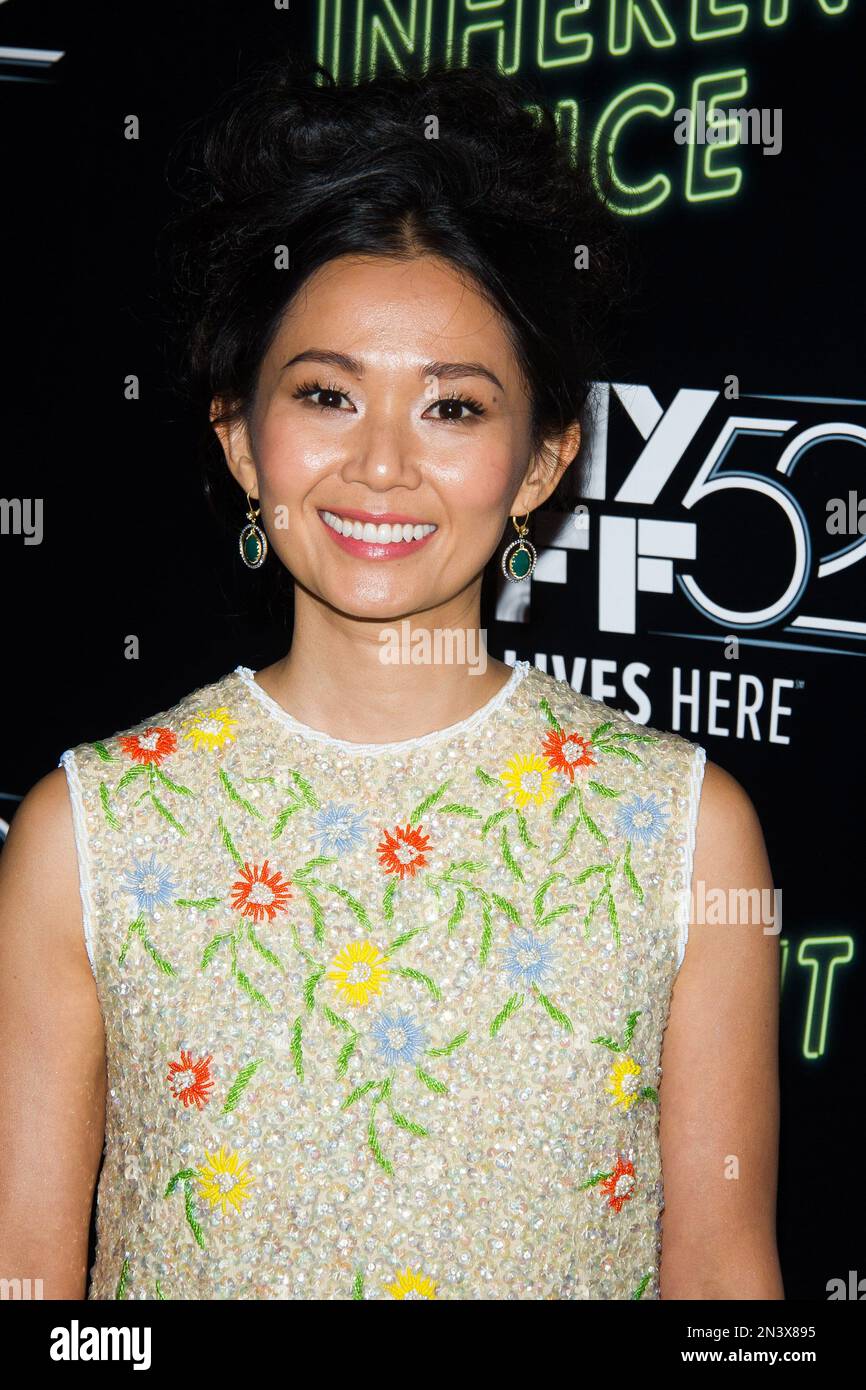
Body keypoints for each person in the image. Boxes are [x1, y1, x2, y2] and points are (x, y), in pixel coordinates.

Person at [0, 56, 782, 1301]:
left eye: (453, 409)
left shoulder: (683, 831)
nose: (378, 467)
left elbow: (724, 1287)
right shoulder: (88, 831)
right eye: (324, 394)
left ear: (540, 464)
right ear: (240, 436)